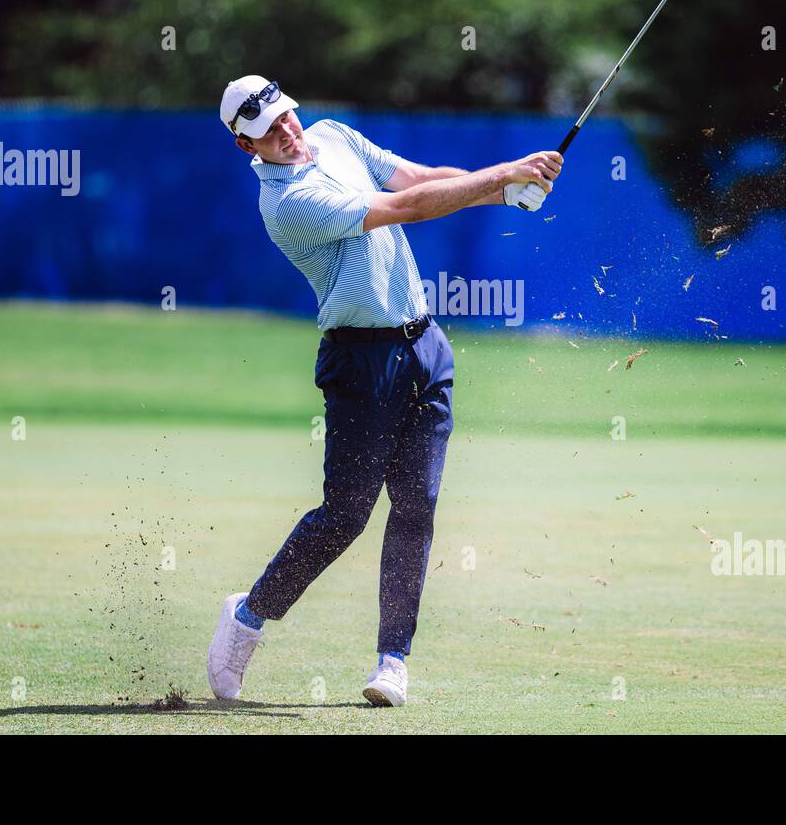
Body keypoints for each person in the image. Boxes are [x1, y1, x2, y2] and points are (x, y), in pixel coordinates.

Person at [206, 75, 563, 706]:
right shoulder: (286, 203)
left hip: (426, 345)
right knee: (345, 515)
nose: (287, 133)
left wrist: (505, 191)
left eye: (287, 117)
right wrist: (504, 171)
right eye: (269, 132)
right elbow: (404, 211)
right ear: (245, 145)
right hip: (360, 360)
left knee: (417, 506)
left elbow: (416, 180)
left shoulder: (333, 135)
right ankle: (249, 617)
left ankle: (391, 661)